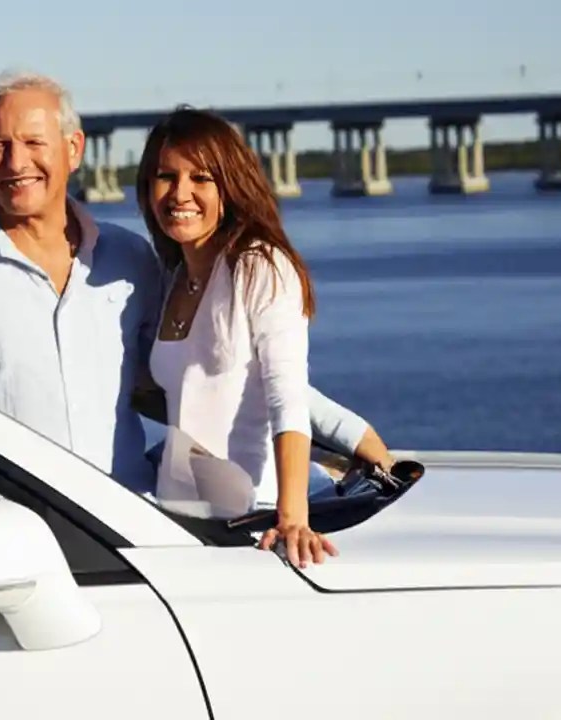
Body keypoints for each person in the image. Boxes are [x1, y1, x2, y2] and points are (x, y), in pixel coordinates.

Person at [0, 70, 392, 623]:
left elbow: (224, 372)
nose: (16, 162)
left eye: (33, 141)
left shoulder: (128, 261)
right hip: (8, 560)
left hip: (129, 548)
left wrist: (351, 437)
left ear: (74, 149)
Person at [134, 106, 392, 570]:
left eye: (201, 178)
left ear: (229, 186)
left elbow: (285, 393)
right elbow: (233, 377)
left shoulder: (258, 265)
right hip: (184, 517)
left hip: (252, 518)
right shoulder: (174, 276)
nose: (181, 193)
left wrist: (294, 517)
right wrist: (356, 435)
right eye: (166, 176)